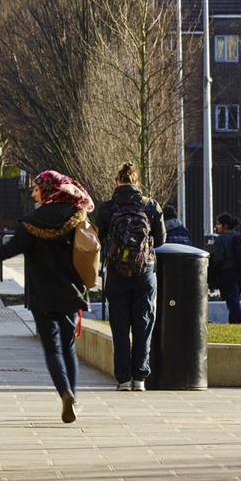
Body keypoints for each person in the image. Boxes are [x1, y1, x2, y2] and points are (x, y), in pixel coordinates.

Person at [0, 170, 95, 423]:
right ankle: (72, 394)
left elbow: (6, 251)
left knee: (52, 350)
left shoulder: (31, 221)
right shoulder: (77, 216)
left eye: (36, 188)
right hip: (70, 294)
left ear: (48, 190)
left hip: (42, 296)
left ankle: (65, 392)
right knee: (68, 347)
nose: (32, 193)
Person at [94, 162, 164, 391]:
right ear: (136, 182)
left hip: (116, 271)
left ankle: (123, 379)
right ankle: (140, 378)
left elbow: (98, 239)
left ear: (116, 182)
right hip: (145, 272)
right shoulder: (151, 205)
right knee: (144, 324)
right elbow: (161, 241)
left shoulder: (106, 208)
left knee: (120, 326)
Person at [209, 213, 241, 326]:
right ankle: (233, 323)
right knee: (234, 298)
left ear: (225, 226)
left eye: (218, 224)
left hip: (227, 272)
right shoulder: (239, 236)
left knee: (232, 300)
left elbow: (218, 258)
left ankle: (238, 322)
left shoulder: (220, 239)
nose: (216, 226)